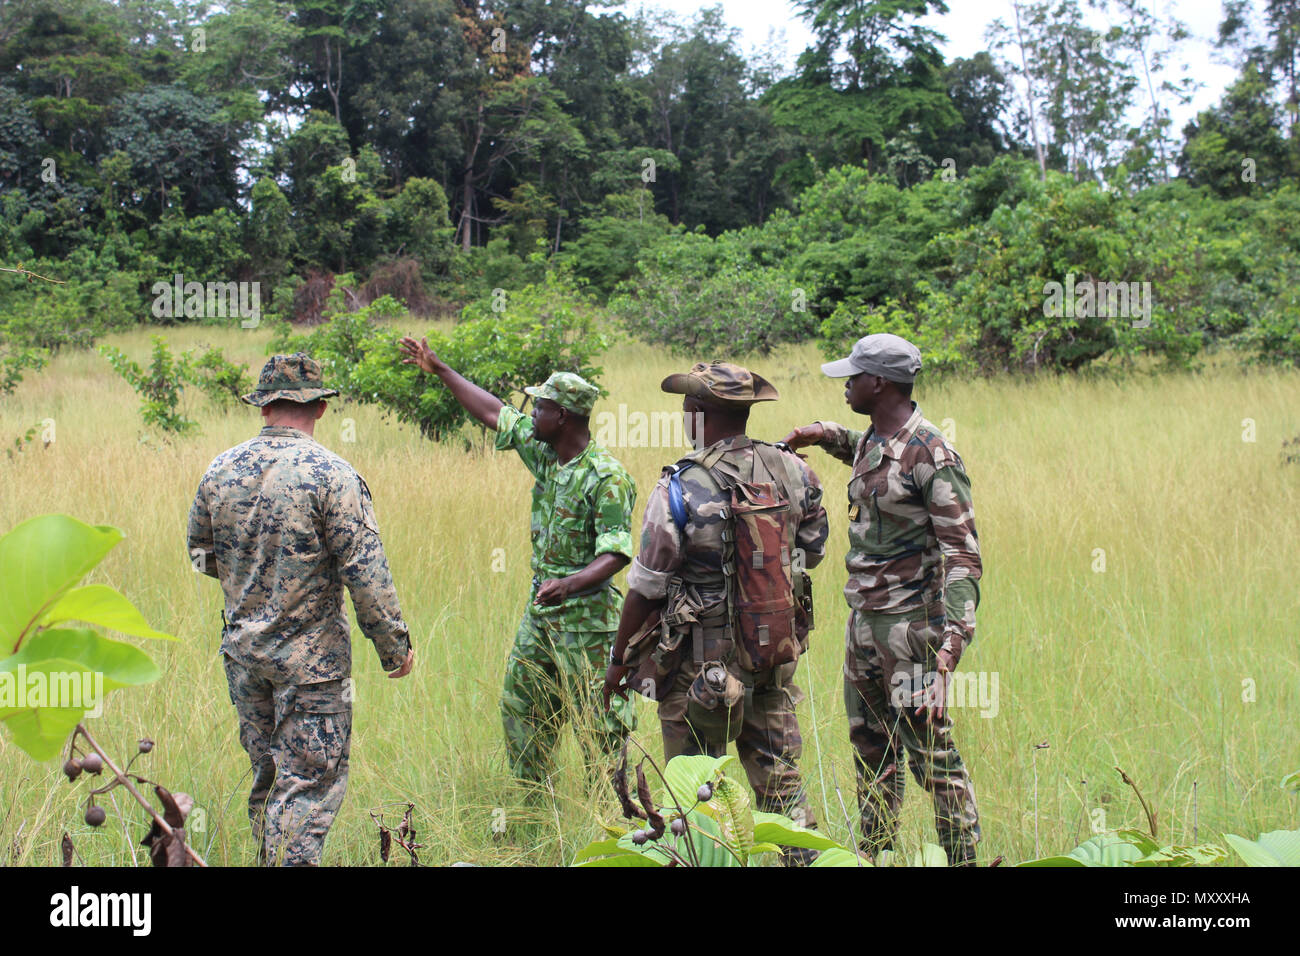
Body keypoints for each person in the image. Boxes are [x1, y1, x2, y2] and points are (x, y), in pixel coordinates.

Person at [186, 352, 414, 866]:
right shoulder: (332, 475)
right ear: (320, 407)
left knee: (268, 778)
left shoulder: (219, 470)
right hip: (312, 667)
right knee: (307, 789)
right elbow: (365, 573)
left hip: (244, 658)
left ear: (264, 405)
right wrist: (394, 649)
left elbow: (201, 555)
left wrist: (254, 580)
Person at [604, 362, 828, 857]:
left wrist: (619, 659)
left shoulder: (679, 486)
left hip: (695, 672)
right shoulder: (795, 470)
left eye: (688, 404)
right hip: (771, 661)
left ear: (698, 412)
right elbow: (812, 551)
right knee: (785, 801)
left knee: (692, 802)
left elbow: (645, 587)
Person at [779, 332, 983, 866]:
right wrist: (820, 434)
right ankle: (874, 857)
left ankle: (963, 860)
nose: (845, 384)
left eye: (854, 376)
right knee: (871, 755)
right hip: (864, 624)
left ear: (881, 383)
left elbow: (963, 556)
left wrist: (947, 657)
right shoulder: (873, 438)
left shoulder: (933, 456)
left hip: (912, 632)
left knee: (933, 760)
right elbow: (859, 450)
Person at [398, 336, 637, 785]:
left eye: (540, 406)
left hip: (588, 625)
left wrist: (569, 583)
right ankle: (537, 810)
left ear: (562, 416)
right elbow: (493, 413)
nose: (531, 413)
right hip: (542, 616)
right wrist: (441, 369)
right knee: (521, 710)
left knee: (601, 731)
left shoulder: (606, 477)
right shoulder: (546, 455)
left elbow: (615, 553)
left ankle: (611, 820)